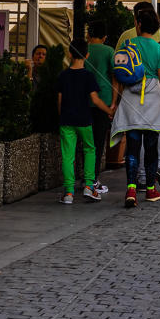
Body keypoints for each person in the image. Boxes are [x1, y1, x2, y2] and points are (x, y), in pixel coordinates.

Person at [111, 2, 160, 206]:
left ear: (139, 24)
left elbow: (117, 76)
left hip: (131, 100)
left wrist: (114, 102)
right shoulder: (159, 50)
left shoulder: (127, 46)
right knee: (151, 148)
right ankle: (150, 190)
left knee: (132, 148)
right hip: (154, 102)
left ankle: (131, 190)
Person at [57, 40, 114, 204]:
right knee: (90, 150)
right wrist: (109, 111)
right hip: (85, 120)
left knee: (68, 155)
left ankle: (68, 192)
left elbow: (59, 100)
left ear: (69, 54)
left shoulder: (63, 75)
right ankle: (89, 186)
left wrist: (62, 117)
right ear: (87, 55)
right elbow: (95, 100)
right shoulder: (89, 76)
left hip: (67, 121)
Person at [84, 27, 115, 193]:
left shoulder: (83, 49)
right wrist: (114, 103)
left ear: (89, 35)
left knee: (86, 142)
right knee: (98, 142)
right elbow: (115, 75)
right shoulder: (109, 51)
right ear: (105, 36)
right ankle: (93, 179)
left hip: (83, 101)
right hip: (104, 100)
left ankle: (85, 176)